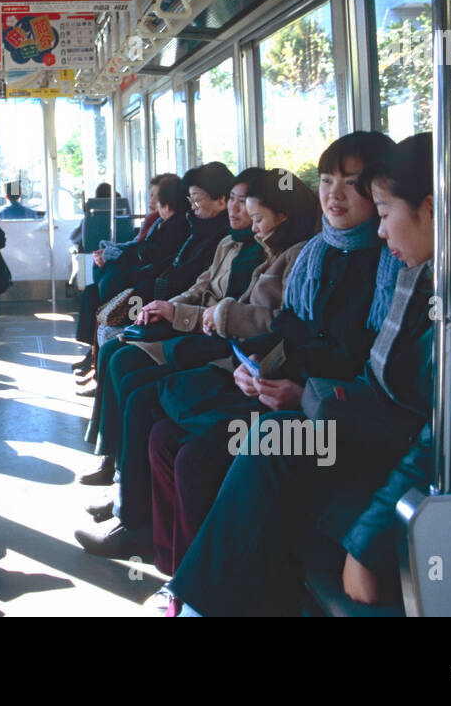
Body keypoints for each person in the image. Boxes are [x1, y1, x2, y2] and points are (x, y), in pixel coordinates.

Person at [164, 135, 451, 615]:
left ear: (429, 210)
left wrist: (369, 541)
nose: (383, 234)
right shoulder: (446, 274)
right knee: (275, 437)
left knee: (274, 446)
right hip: (405, 437)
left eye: (385, 214)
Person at [146, 132, 399, 575]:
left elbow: (370, 372)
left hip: (327, 417)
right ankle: (178, 572)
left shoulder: (391, 265)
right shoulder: (318, 256)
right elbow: (289, 329)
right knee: (164, 438)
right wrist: (260, 368)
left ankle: (207, 593)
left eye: (351, 183)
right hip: (282, 390)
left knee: (198, 456)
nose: (334, 195)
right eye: (325, 181)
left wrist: (302, 394)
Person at [75, 168, 319, 558]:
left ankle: (138, 518)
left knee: (140, 393)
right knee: (119, 357)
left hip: (227, 353)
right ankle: (126, 490)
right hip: (220, 345)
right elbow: (200, 285)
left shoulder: (289, 256)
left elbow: (261, 320)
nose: (243, 216)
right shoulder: (233, 244)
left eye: (248, 208)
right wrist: (171, 307)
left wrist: (186, 315)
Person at [82, 167, 265, 448]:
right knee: (111, 341)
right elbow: (199, 285)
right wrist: (166, 305)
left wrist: (172, 309)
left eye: (243, 203)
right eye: (232, 199)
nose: (235, 208)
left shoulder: (240, 245)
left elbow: (224, 307)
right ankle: (104, 446)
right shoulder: (225, 241)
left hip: (203, 331)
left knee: (122, 359)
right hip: (182, 310)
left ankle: (112, 454)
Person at [73, 174, 190, 364]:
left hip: (145, 293)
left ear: (167, 204)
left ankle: (95, 359)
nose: (151, 201)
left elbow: (149, 258)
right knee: (93, 292)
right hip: (139, 282)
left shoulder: (175, 229)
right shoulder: (158, 223)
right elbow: (137, 247)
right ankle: (93, 356)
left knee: (98, 295)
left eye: (155, 197)